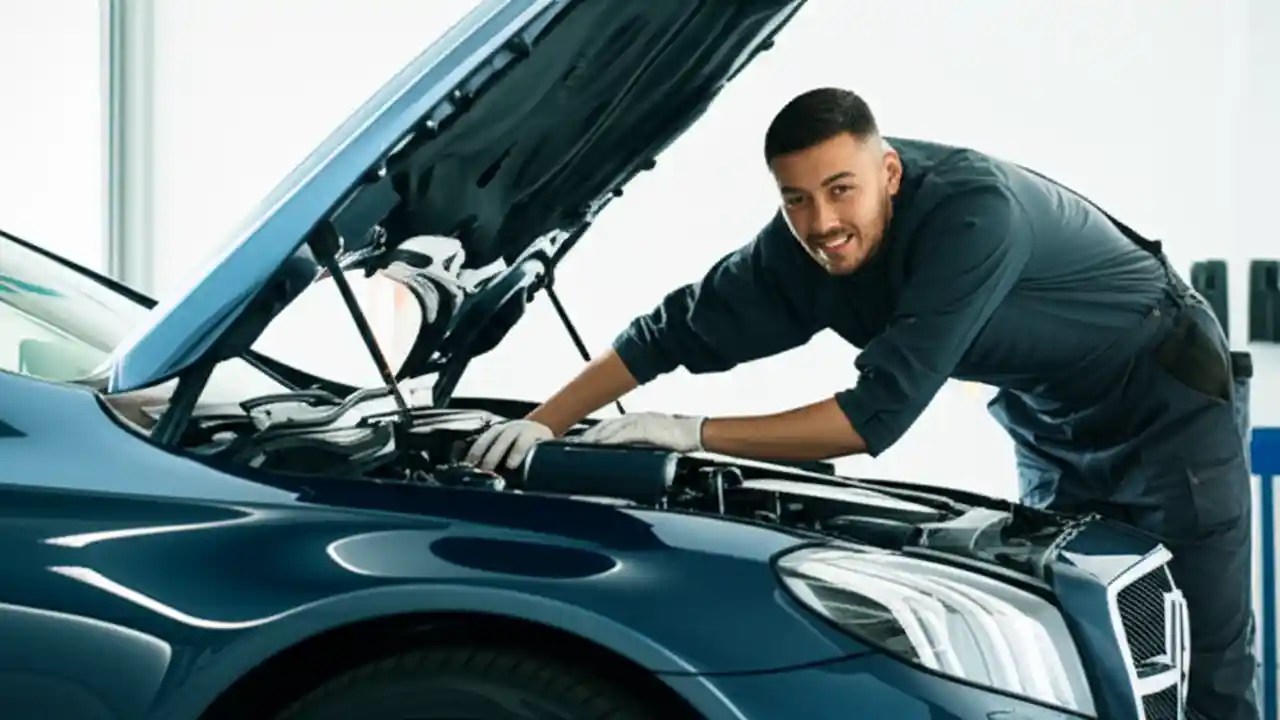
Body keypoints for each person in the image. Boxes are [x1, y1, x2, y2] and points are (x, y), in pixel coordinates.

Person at [464, 87, 1257, 719]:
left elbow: (872, 420)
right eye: (796, 199)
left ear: (889, 173)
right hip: (1050, 412)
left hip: (1166, 396)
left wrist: (683, 431)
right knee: (1085, 643)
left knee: (1204, 663)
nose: (822, 222)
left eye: (840, 189)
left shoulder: (972, 215)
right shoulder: (800, 243)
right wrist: (546, 419)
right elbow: (668, 332)